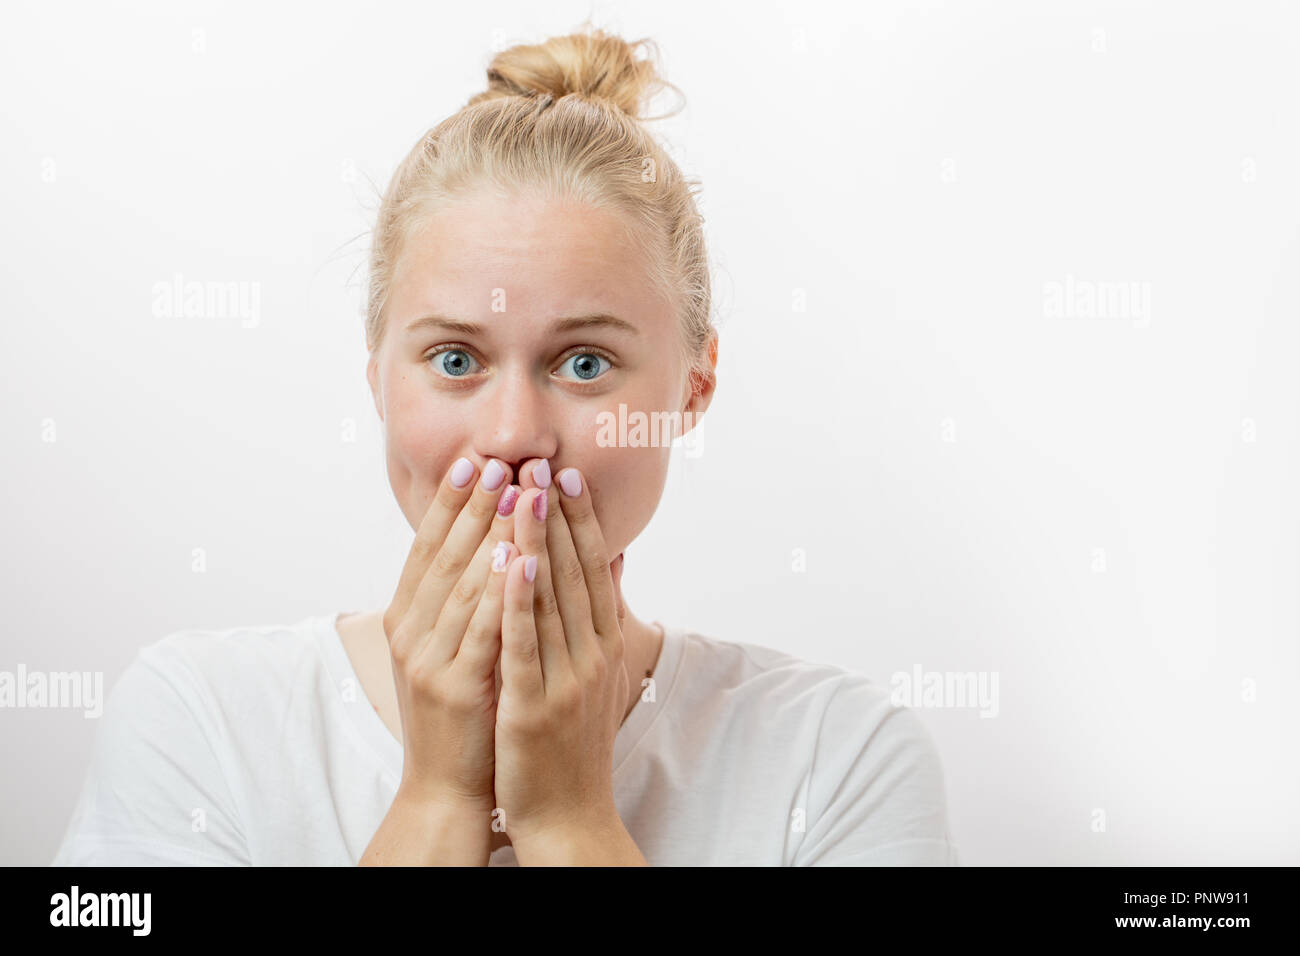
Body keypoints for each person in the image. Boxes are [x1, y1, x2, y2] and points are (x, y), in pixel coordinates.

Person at [51, 24, 959, 866]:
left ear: (694, 388)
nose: (514, 435)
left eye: (586, 363)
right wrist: (438, 798)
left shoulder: (839, 760)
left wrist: (571, 821)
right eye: (455, 359)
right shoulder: (198, 721)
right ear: (376, 377)